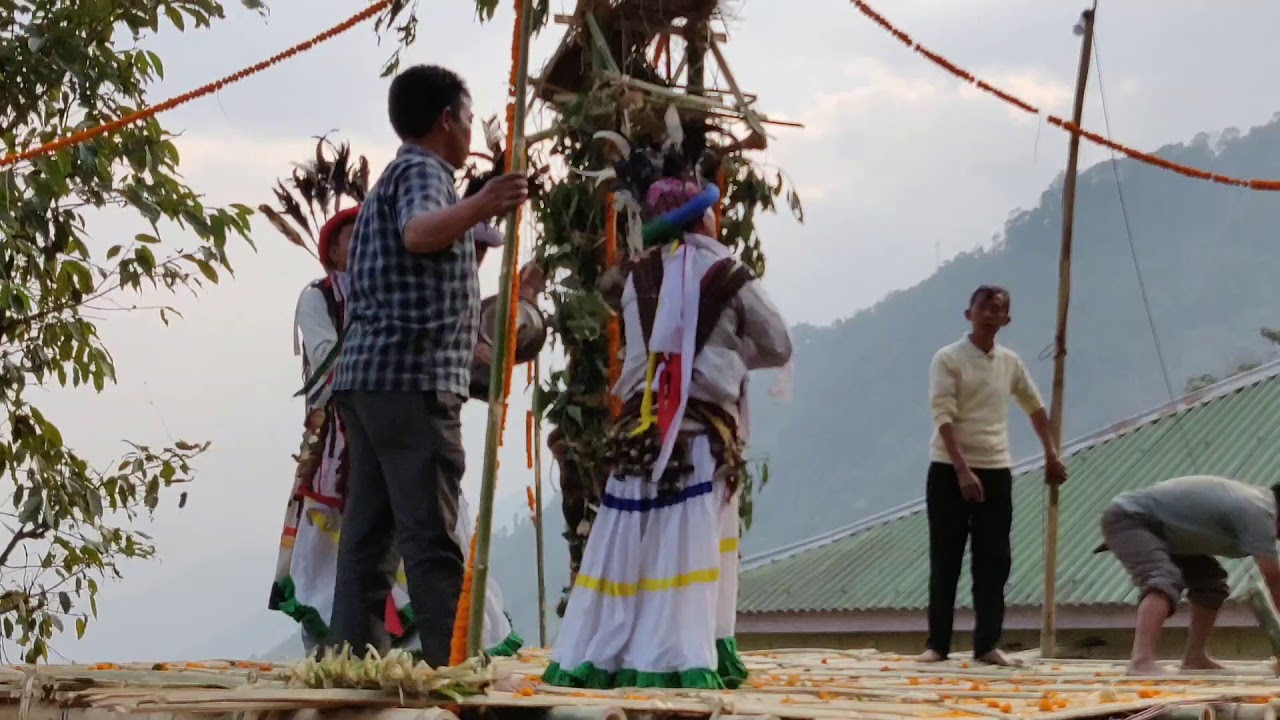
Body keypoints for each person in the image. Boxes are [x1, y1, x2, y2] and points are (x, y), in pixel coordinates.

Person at [543, 177, 792, 689]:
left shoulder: (634, 277)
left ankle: (613, 653)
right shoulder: (730, 274)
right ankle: (677, 654)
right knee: (687, 544)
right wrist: (728, 355)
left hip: (638, 436)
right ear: (705, 219)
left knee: (632, 542)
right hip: (699, 436)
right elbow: (779, 345)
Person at [325, 64, 528, 667]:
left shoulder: (396, 178)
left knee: (370, 537)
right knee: (431, 538)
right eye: (467, 117)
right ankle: (453, 667)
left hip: (369, 383)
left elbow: (422, 259)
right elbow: (418, 234)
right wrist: (484, 200)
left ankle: (353, 661)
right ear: (446, 119)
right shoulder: (423, 172)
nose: (469, 130)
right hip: (409, 384)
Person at [273, 205, 517, 657]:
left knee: (425, 533)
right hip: (342, 445)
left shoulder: (396, 287)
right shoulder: (318, 298)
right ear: (332, 251)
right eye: (353, 236)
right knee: (350, 552)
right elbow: (328, 359)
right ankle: (344, 648)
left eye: (369, 235)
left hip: (404, 432)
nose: (363, 243)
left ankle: (439, 645)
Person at [918, 285, 1068, 667]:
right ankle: (937, 644)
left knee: (994, 560)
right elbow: (942, 414)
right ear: (968, 313)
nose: (990, 314)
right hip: (949, 468)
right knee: (946, 556)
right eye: (983, 307)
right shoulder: (948, 358)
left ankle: (987, 644)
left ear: (1006, 319)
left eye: (998, 309)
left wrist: (1051, 454)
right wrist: (962, 469)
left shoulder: (1010, 362)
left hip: (997, 467)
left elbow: (1034, 406)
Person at [1097, 476, 1280, 675]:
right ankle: (1141, 661)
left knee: (1210, 582)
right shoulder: (1259, 512)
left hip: (1167, 531)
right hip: (1132, 519)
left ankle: (1195, 657)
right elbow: (1274, 580)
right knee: (1163, 578)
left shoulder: (1259, 505)